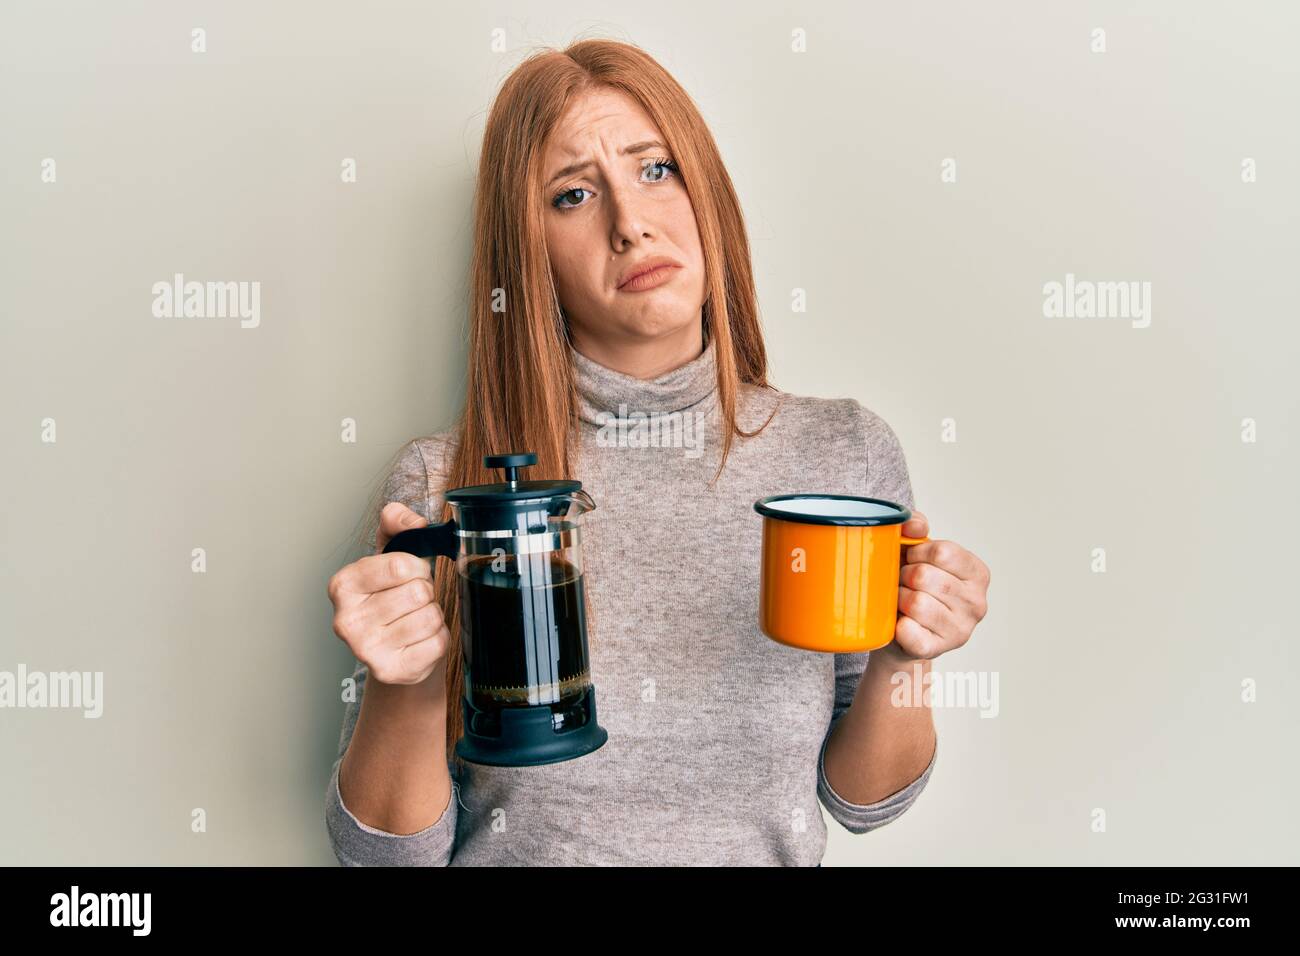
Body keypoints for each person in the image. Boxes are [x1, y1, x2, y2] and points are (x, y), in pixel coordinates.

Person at [324, 38, 990, 866]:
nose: (630, 224)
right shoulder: (445, 487)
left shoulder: (840, 454)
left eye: (655, 169)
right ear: (527, 254)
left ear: (706, 193)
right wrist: (406, 688)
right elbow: (384, 857)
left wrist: (906, 654)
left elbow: (865, 802)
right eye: (572, 194)